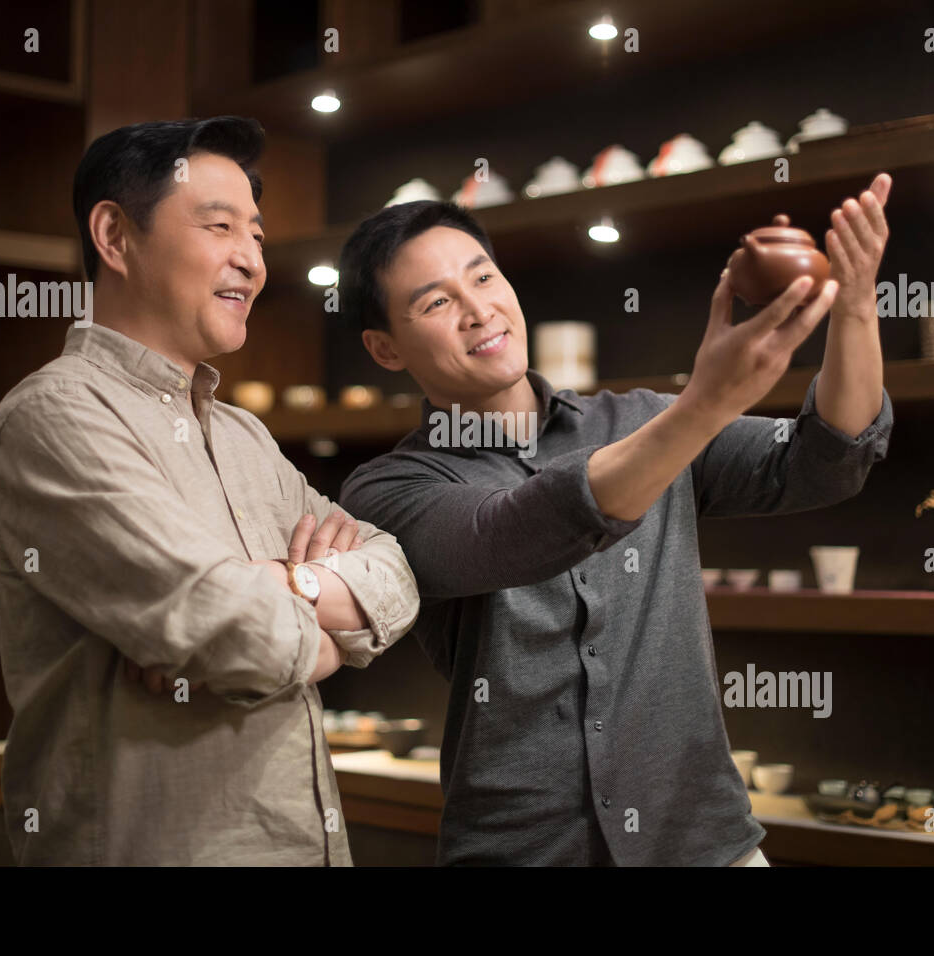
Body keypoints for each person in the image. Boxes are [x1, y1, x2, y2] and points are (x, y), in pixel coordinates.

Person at [337, 176, 895, 865]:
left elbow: (823, 461)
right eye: (436, 302)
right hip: (527, 852)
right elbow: (513, 534)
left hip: (704, 846)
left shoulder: (640, 422)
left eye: (484, 278)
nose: (478, 310)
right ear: (386, 348)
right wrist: (702, 405)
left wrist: (859, 307)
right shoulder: (392, 489)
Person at [0, 116, 419, 865]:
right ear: (114, 237)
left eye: (256, 233)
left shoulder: (244, 435)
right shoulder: (53, 417)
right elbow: (229, 631)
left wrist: (285, 585)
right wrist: (316, 625)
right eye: (220, 226)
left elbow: (396, 573)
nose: (251, 259)